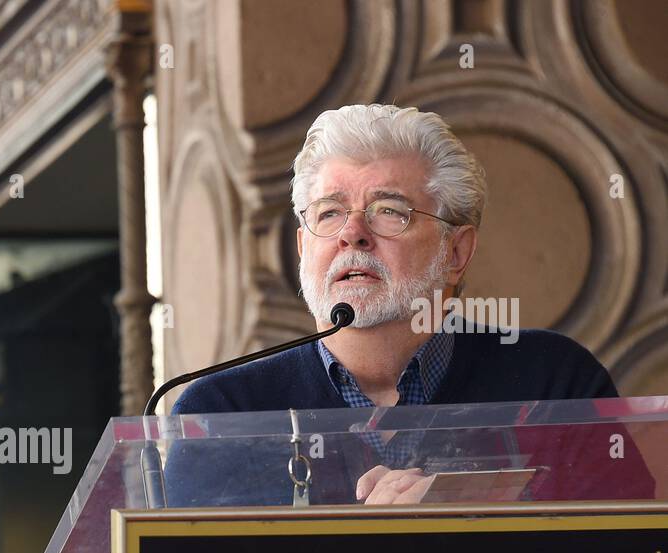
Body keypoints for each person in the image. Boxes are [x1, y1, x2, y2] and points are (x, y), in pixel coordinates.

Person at [168, 103, 651, 506]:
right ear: (302, 247)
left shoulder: (554, 383)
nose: (351, 234)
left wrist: (465, 519)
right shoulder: (221, 414)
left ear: (456, 252)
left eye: (389, 211)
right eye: (330, 212)